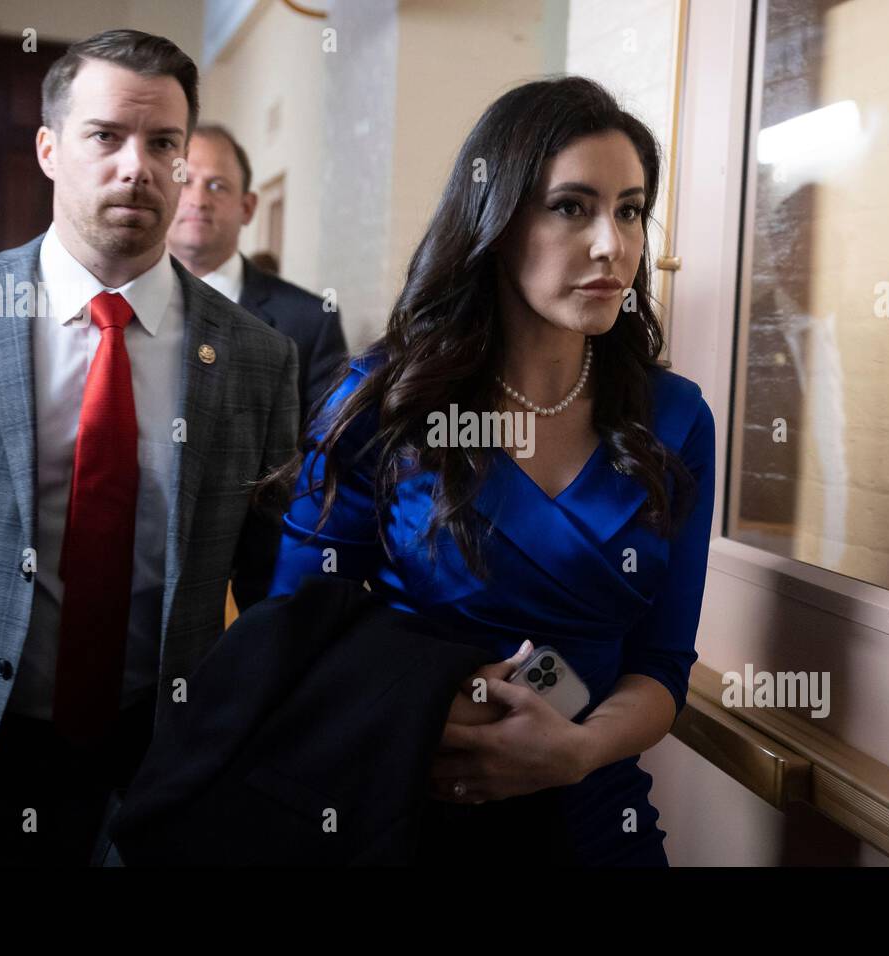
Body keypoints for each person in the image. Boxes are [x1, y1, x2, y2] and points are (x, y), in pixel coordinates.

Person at [0, 29, 299, 867]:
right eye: (106, 136)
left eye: (164, 144)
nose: (138, 167)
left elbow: (271, 587)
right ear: (49, 148)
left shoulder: (257, 359)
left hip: (149, 763)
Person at [262, 76, 717, 866]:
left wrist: (573, 752)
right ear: (498, 220)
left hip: (594, 819)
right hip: (411, 810)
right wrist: (427, 708)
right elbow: (294, 627)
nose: (612, 244)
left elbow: (661, 665)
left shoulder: (674, 420)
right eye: (572, 207)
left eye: (631, 210)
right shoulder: (386, 401)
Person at [167, 124, 347, 417]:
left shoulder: (312, 321)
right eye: (184, 181)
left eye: (217, 186)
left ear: (247, 207)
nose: (198, 200)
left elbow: (328, 449)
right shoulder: (118, 306)